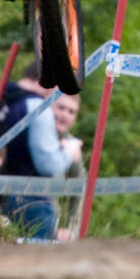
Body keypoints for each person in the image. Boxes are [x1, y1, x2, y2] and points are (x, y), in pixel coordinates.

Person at [0, 61, 80, 241]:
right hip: (32, 201)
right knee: (36, 263)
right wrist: (69, 152)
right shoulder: (38, 107)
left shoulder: (4, 99)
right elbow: (48, 165)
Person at [52, 93, 84, 241]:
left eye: (71, 111)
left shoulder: (72, 146)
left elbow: (79, 190)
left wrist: (71, 229)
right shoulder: (30, 133)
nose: (65, 114)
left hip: (49, 222)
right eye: (61, 107)